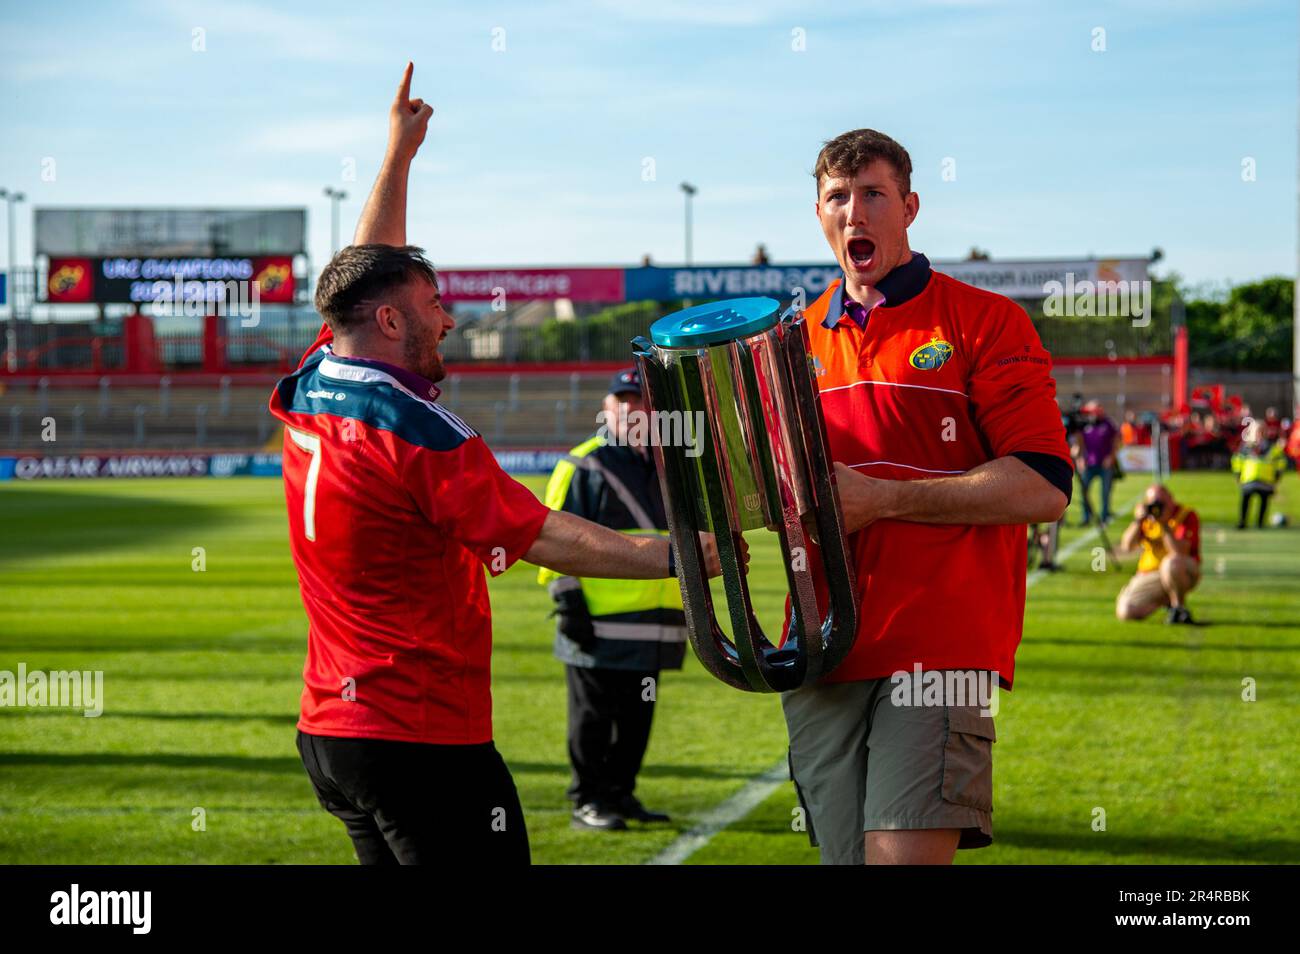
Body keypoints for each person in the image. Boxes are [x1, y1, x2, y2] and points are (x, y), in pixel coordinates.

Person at [269, 63, 725, 865]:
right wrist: (684, 555)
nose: (448, 318)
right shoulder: (416, 429)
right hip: (420, 740)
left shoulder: (318, 379)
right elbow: (548, 536)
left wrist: (399, 155)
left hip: (334, 735)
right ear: (387, 319)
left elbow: (362, 266)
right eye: (434, 306)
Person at [784, 128, 1072, 865]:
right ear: (818, 213)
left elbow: (1043, 485)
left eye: (873, 194)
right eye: (838, 198)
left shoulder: (985, 320)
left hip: (937, 645)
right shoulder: (790, 343)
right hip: (823, 645)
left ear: (909, 207)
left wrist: (881, 498)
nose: (856, 213)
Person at [538, 369, 686, 831]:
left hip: (658, 620)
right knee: (593, 718)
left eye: (638, 400)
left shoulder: (671, 465)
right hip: (597, 622)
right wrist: (568, 603)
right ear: (607, 410)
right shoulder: (583, 463)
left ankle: (621, 795)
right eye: (621, 400)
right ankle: (588, 800)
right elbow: (552, 536)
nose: (630, 409)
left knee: (637, 718)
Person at [1116, 484, 1201, 624]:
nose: (1158, 507)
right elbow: (1127, 546)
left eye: (1162, 502)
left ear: (1171, 499)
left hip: (1183, 569)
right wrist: (1138, 521)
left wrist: (1164, 525)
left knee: (1171, 564)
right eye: (1154, 503)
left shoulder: (1185, 515)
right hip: (1150, 574)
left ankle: (1179, 608)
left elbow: (1180, 551)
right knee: (1126, 611)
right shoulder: (1147, 520)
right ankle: (1165, 600)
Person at [1072, 400, 1121, 525]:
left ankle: (1105, 516)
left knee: (1105, 492)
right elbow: (1079, 443)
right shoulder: (1084, 424)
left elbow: (1117, 440)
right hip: (1089, 463)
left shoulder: (1108, 423)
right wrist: (1080, 459)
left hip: (1105, 463)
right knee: (1084, 491)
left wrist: (1111, 457)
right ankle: (1086, 517)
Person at [1231, 419, 1287, 529]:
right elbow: (1237, 460)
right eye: (1257, 431)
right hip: (1249, 478)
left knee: (1264, 502)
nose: (1259, 434)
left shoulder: (1271, 447)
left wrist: (1277, 474)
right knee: (1245, 500)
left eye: (1262, 431)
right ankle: (1243, 522)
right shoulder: (1246, 447)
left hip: (1265, 480)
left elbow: (1280, 461)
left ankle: (1260, 523)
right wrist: (1238, 473)